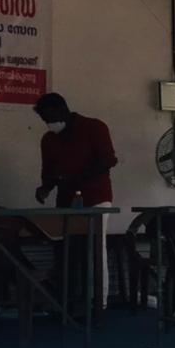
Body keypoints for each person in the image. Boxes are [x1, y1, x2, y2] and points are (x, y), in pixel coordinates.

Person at [33, 93, 117, 305]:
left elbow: (108, 160)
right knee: (68, 251)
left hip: (96, 196)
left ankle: (99, 302)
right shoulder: (49, 139)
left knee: (96, 250)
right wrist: (45, 188)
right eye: (44, 120)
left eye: (51, 117)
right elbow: (49, 171)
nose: (49, 123)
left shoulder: (94, 127)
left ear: (63, 110)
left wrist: (77, 179)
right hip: (66, 201)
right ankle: (72, 299)